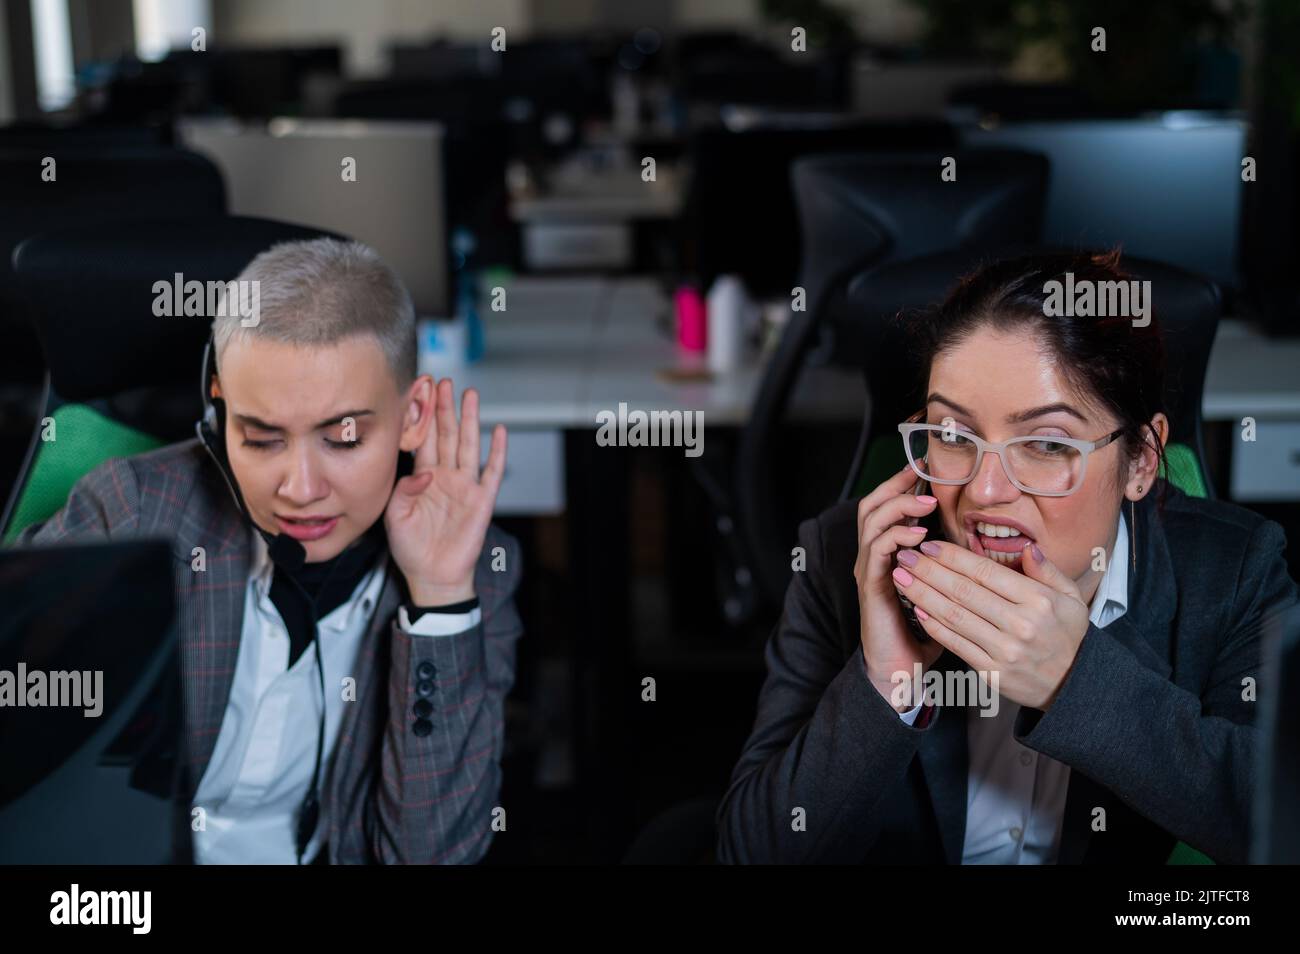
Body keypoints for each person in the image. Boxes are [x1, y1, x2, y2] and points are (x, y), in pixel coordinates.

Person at [717, 249, 1299, 864]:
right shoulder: (844, 559)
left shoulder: (1235, 570)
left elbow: (1276, 823)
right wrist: (889, 681)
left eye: (1045, 443)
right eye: (951, 435)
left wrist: (1073, 682)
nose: (984, 492)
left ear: (1141, 462)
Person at [15, 238, 522, 864]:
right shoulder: (134, 512)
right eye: (260, 440)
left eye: (344, 438)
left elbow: (431, 855)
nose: (300, 491)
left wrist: (440, 598)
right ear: (219, 411)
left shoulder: (473, 569)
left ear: (414, 414)